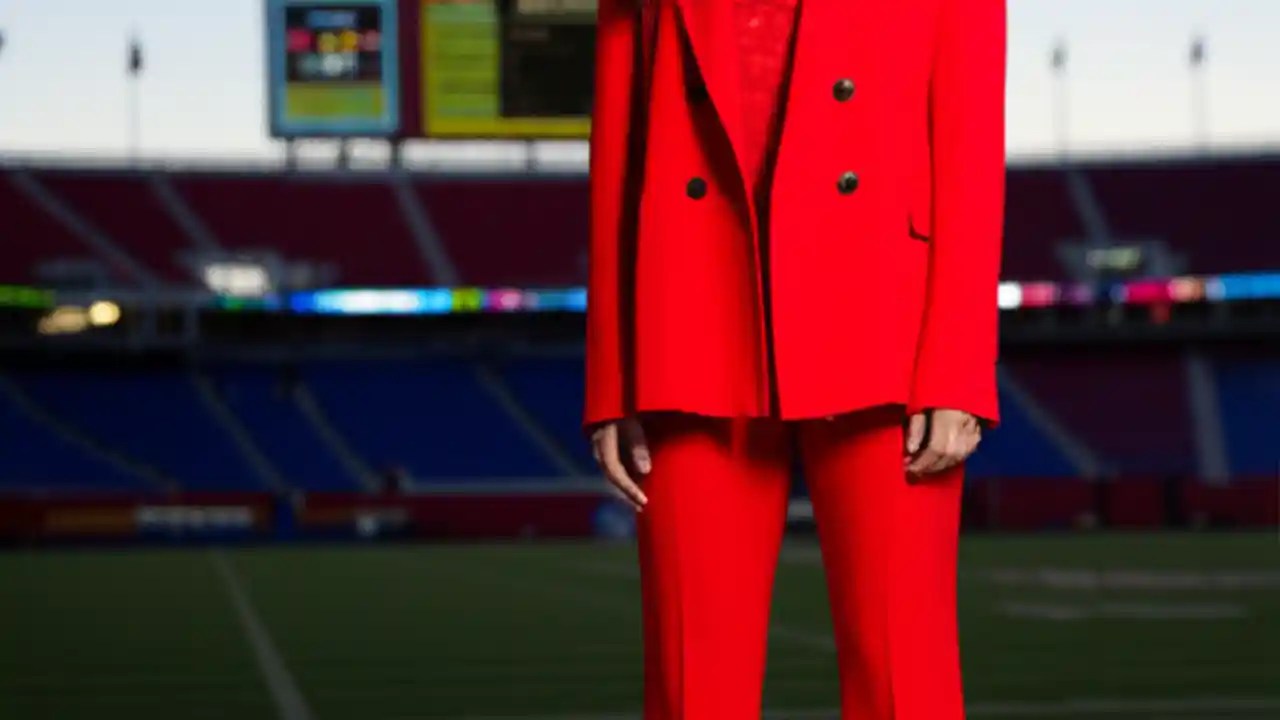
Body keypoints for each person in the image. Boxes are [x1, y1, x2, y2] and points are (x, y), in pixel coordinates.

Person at [584, 0, 1006, 717]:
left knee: (906, 677)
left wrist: (957, 363)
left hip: (884, 322)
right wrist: (613, 375)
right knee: (693, 686)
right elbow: (617, 150)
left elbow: (971, 140)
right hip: (691, 315)